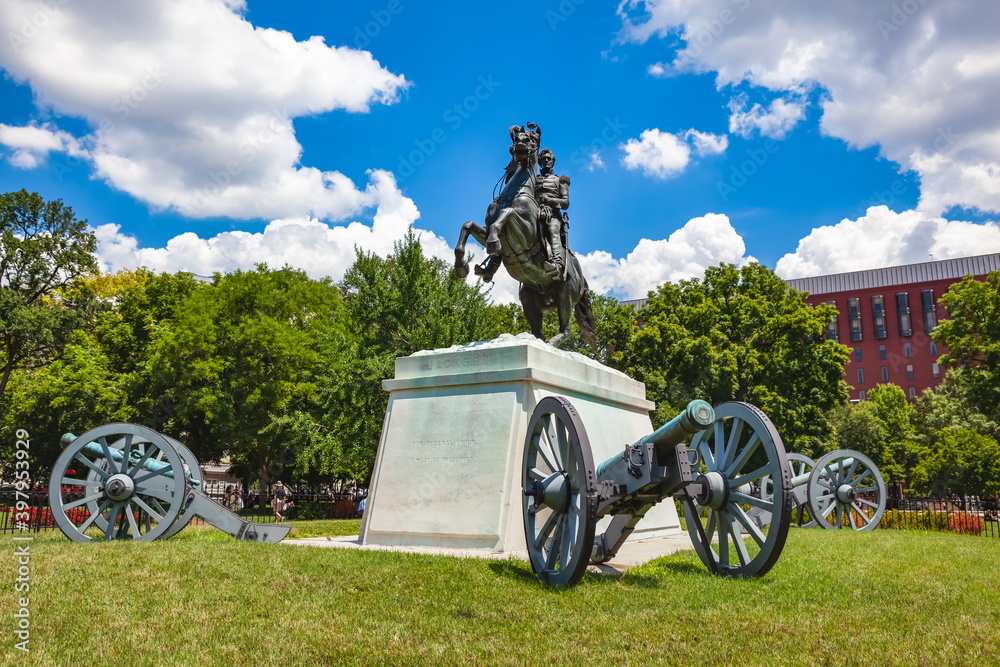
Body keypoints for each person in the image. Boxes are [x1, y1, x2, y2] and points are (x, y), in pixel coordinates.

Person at [535, 148, 571, 277]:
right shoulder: (533, 180)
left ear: (553, 161)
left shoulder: (560, 180)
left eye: (549, 159)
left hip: (553, 215)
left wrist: (549, 201)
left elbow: (565, 203)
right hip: (535, 213)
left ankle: (557, 263)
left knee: (552, 231)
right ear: (539, 162)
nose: (546, 162)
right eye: (543, 159)